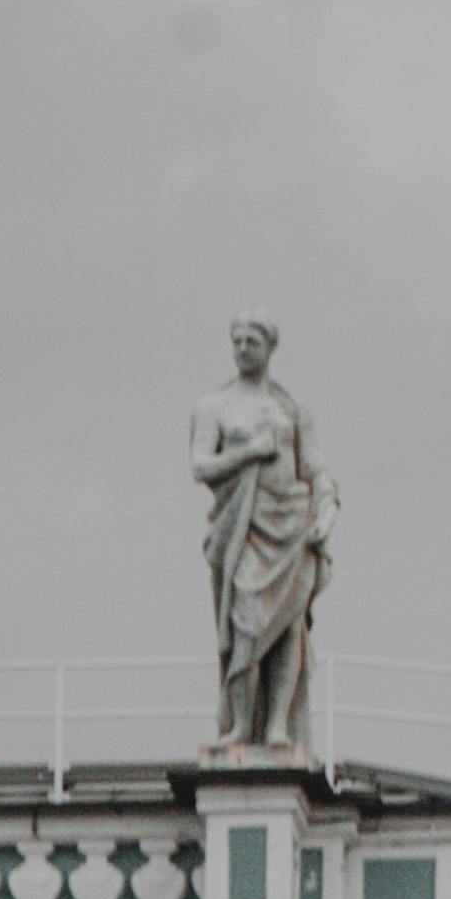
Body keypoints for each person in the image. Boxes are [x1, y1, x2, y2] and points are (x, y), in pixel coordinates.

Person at [190, 317, 337, 753]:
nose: (242, 348)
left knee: (289, 624)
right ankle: (239, 725)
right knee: (247, 622)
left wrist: (327, 511)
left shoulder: (292, 409)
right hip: (243, 527)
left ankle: (277, 727)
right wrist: (250, 451)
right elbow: (200, 466)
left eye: (251, 341)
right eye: (236, 340)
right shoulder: (213, 406)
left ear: (270, 347)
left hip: (292, 522)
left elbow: (315, 468)